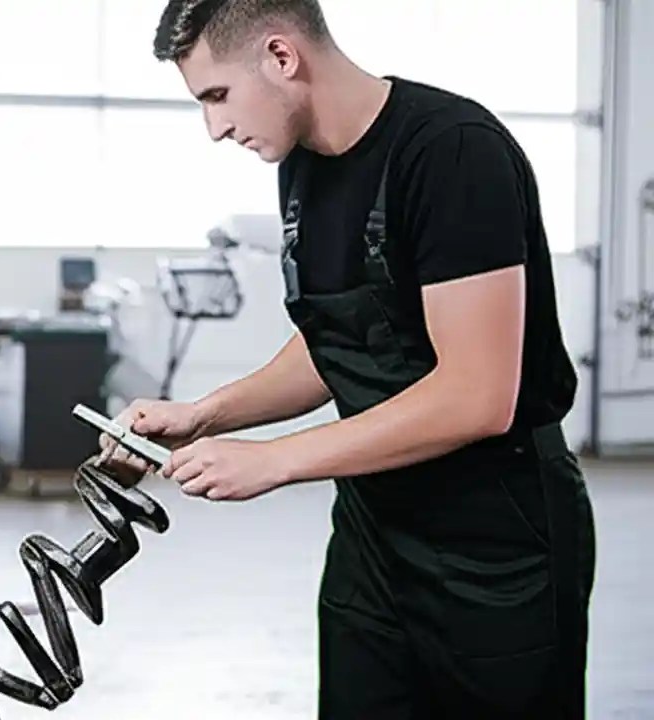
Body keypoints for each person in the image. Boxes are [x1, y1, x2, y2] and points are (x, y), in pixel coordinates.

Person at [98, 1, 597, 717]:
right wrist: (202, 415)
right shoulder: (301, 167)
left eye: (217, 96)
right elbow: (340, 340)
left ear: (281, 56)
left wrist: (276, 459)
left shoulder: (452, 152)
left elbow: (478, 396)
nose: (215, 128)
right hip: (375, 535)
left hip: (497, 535)